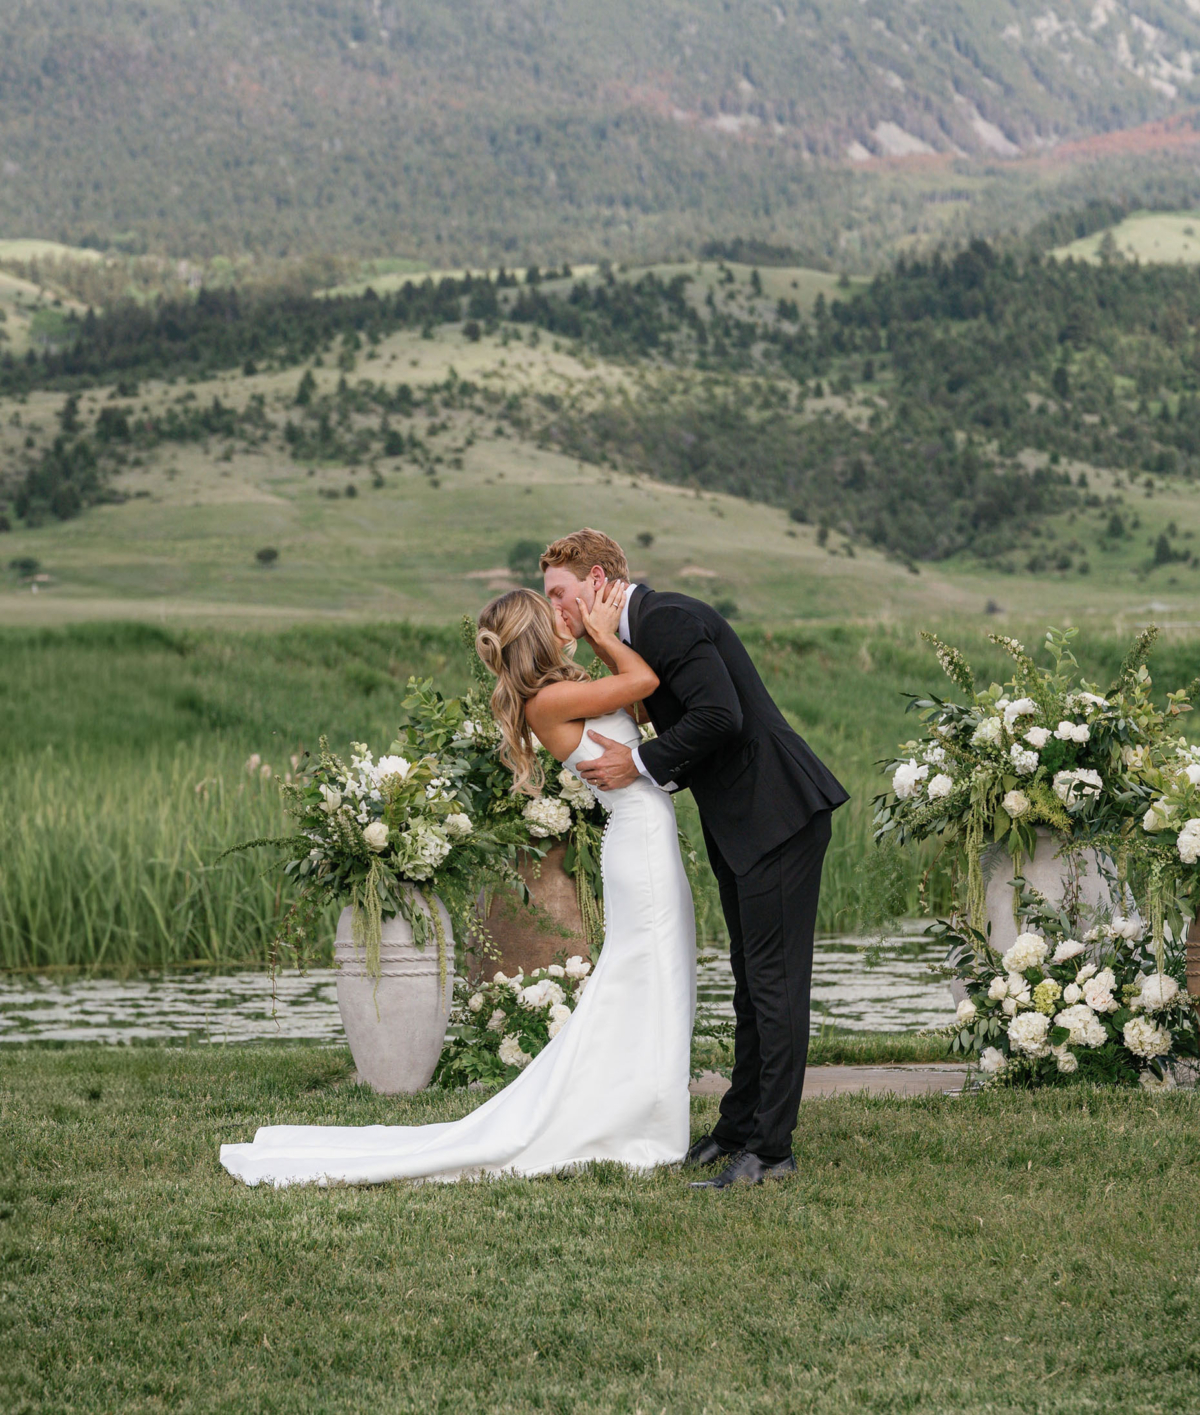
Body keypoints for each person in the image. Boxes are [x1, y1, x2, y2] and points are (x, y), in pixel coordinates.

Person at [219, 583, 696, 1186]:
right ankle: (637, 1120)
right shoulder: (547, 702)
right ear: (533, 634)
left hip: (647, 837)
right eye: (551, 611)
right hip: (639, 844)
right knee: (644, 973)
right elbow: (645, 683)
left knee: (661, 972)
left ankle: (644, 1109)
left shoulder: (562, 690)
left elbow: (642, 706)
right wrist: (604, 635)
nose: (562, 616)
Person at [542, 528, 848, 1190]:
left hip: (778, 812)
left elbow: (721, 715)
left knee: (775, 982)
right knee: (750, 978)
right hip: (741, 821)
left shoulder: (668, 618)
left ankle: (771, 1148)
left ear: (596, 580)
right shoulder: (638, 634)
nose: (553, 608)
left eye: (559, 593)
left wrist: (640, 761)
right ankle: (737, 1128)